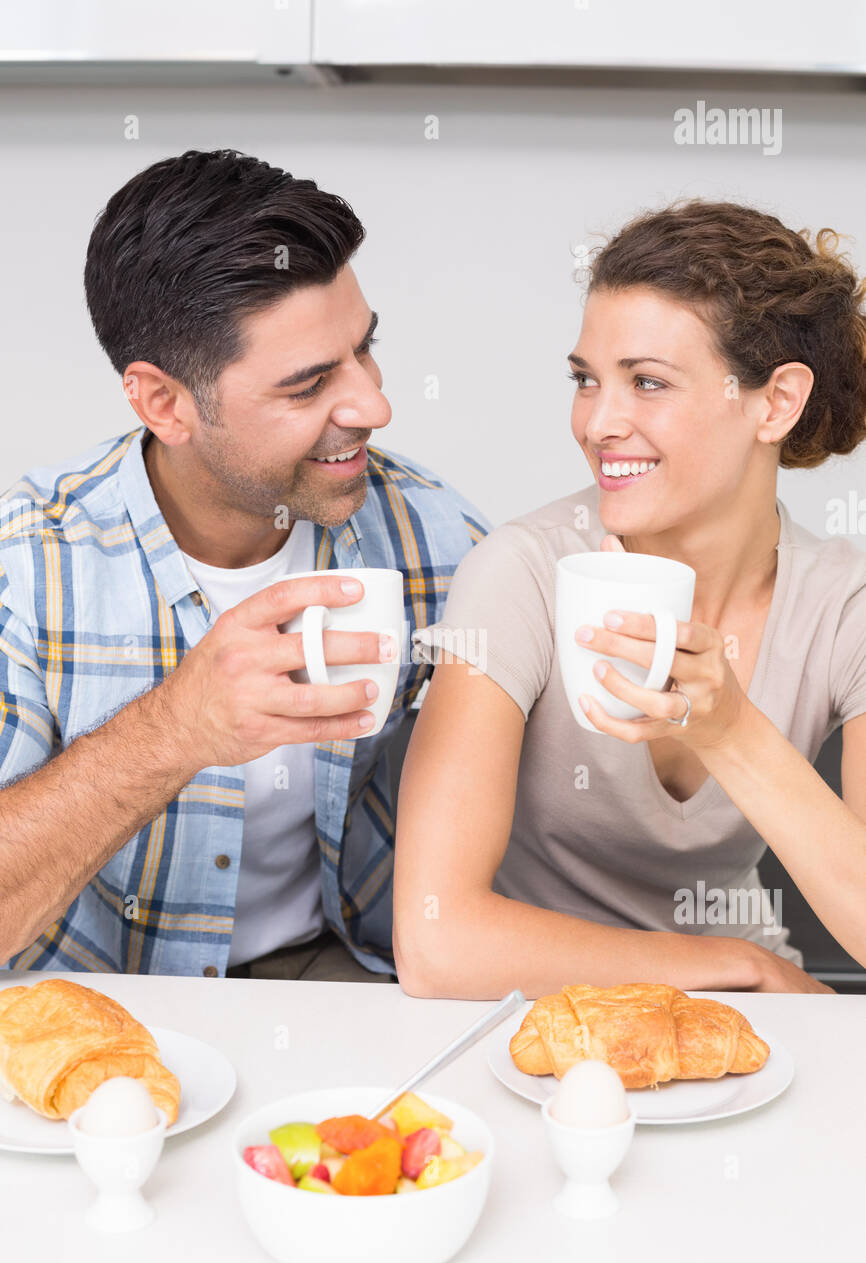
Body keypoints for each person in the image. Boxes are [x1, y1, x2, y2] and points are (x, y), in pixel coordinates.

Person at [0, 148, 489, 980]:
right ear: (165, 403)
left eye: (365, 349)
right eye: (307, 385)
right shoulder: (30, 568)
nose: (374, 405)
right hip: (98, 1008)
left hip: (341, 978)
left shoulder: (435, 537)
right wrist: (175, 730)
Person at [394, 198, 866, 999]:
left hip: (760, 1017)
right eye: (586, 380)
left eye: (647, 382)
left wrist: (730, 730)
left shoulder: (843, 604)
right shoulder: (521, 574)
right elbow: (436, 943)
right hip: (546, 1006)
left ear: (776, 402)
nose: (598, 423)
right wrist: (740, 966)